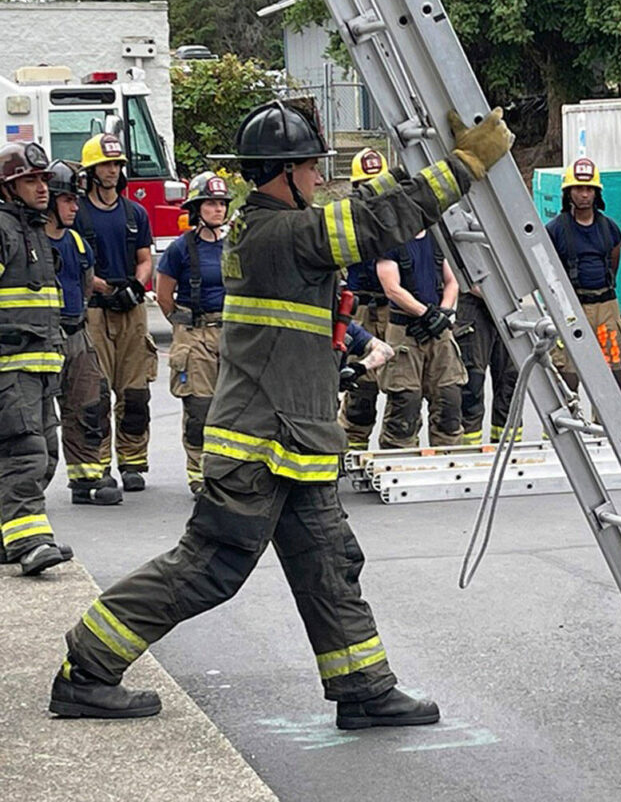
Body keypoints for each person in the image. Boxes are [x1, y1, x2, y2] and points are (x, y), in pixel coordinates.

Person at [50, 99, 513, 725]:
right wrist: (462, 167)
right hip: (261, 447)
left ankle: (364, 690)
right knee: (210, 567)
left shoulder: (271, 226)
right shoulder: (280, 233)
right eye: (312, 169)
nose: (320, 179)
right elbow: (378, 223)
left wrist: (423, 164)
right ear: (285, 172)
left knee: (330, 565)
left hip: (294, 441)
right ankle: (89, 666)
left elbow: (368, 207)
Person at [0, 142, 74, 575]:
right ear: (8, 188)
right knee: (24, 452)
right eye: (31, 180)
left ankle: (7, 536)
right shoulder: (3, 230)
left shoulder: (33, 231)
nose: (42, 188)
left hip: (41, 366)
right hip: (10, 367)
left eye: (44, 179)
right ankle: (30, 542)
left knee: (46, 452)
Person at [76, 133, 156, 492]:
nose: (112, 171)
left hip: (132, 312)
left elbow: (144, 259)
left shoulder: (134, 213)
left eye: (116, 164)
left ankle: (133, 462)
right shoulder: (77, 214)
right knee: (96, 394)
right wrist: (107, 289)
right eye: (106, 165)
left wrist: (136, 287)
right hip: (95, 312)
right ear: (92, 171)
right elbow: (75, 266)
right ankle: (99, 464)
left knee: (135, 393)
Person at [44, 160, 120, 506]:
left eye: (76, 200)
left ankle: (87, 478)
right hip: (43, 338)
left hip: (78, 334)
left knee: (89, 405)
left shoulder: (75, 242)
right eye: (67, 200)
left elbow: (87, 286)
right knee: (39, 419)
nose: (76, 207)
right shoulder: (32, 242)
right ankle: (25, 491)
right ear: (49, 204)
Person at [155, 172, 232, 493]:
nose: (218, 210)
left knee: (232, 406)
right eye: (211, 204)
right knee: (200, 408)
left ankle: (226, 468)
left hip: (229, 333)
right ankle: (198, 472)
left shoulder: (233, 245)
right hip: (195, 333)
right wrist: (183, 325)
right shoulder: (180, 249)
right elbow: (163, 295)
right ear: (197, 208)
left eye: (222, 204)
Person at [545, 158, 621, 395]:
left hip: (606, 307)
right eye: (579, 189)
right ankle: (567, 428)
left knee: (613, 372)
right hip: (571, 308)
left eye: (589, 189)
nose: (584, 194)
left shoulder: (609, 228)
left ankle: (608, 427)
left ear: (596, 193)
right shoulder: (555, 230)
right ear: (568, 193)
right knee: (567, 374)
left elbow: (614, 261)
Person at [377, 229, 466, 449]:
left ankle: (449, 464)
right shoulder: (391, 240)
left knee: (449, 398)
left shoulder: (437, 239)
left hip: (439, 331)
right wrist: (425, 314)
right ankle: (399, 465)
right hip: (404, 332)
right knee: (405, 403)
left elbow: (452, 281)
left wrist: (443, 312)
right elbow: (392, 288)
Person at [339, 148, 392, 451]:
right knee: (360, 390)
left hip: (392, 309)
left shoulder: (397, 220)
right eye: (365, 185)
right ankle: (351, 452)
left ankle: (393, 455)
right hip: (359, 309)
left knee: (400, 389)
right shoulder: (345, 221)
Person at [456, 287, 520, 445]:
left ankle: (508, 449)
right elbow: (463, 274)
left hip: (510, 307)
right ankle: (469, 451)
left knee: (509, 383)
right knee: (472, 385)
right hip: (474, 307)